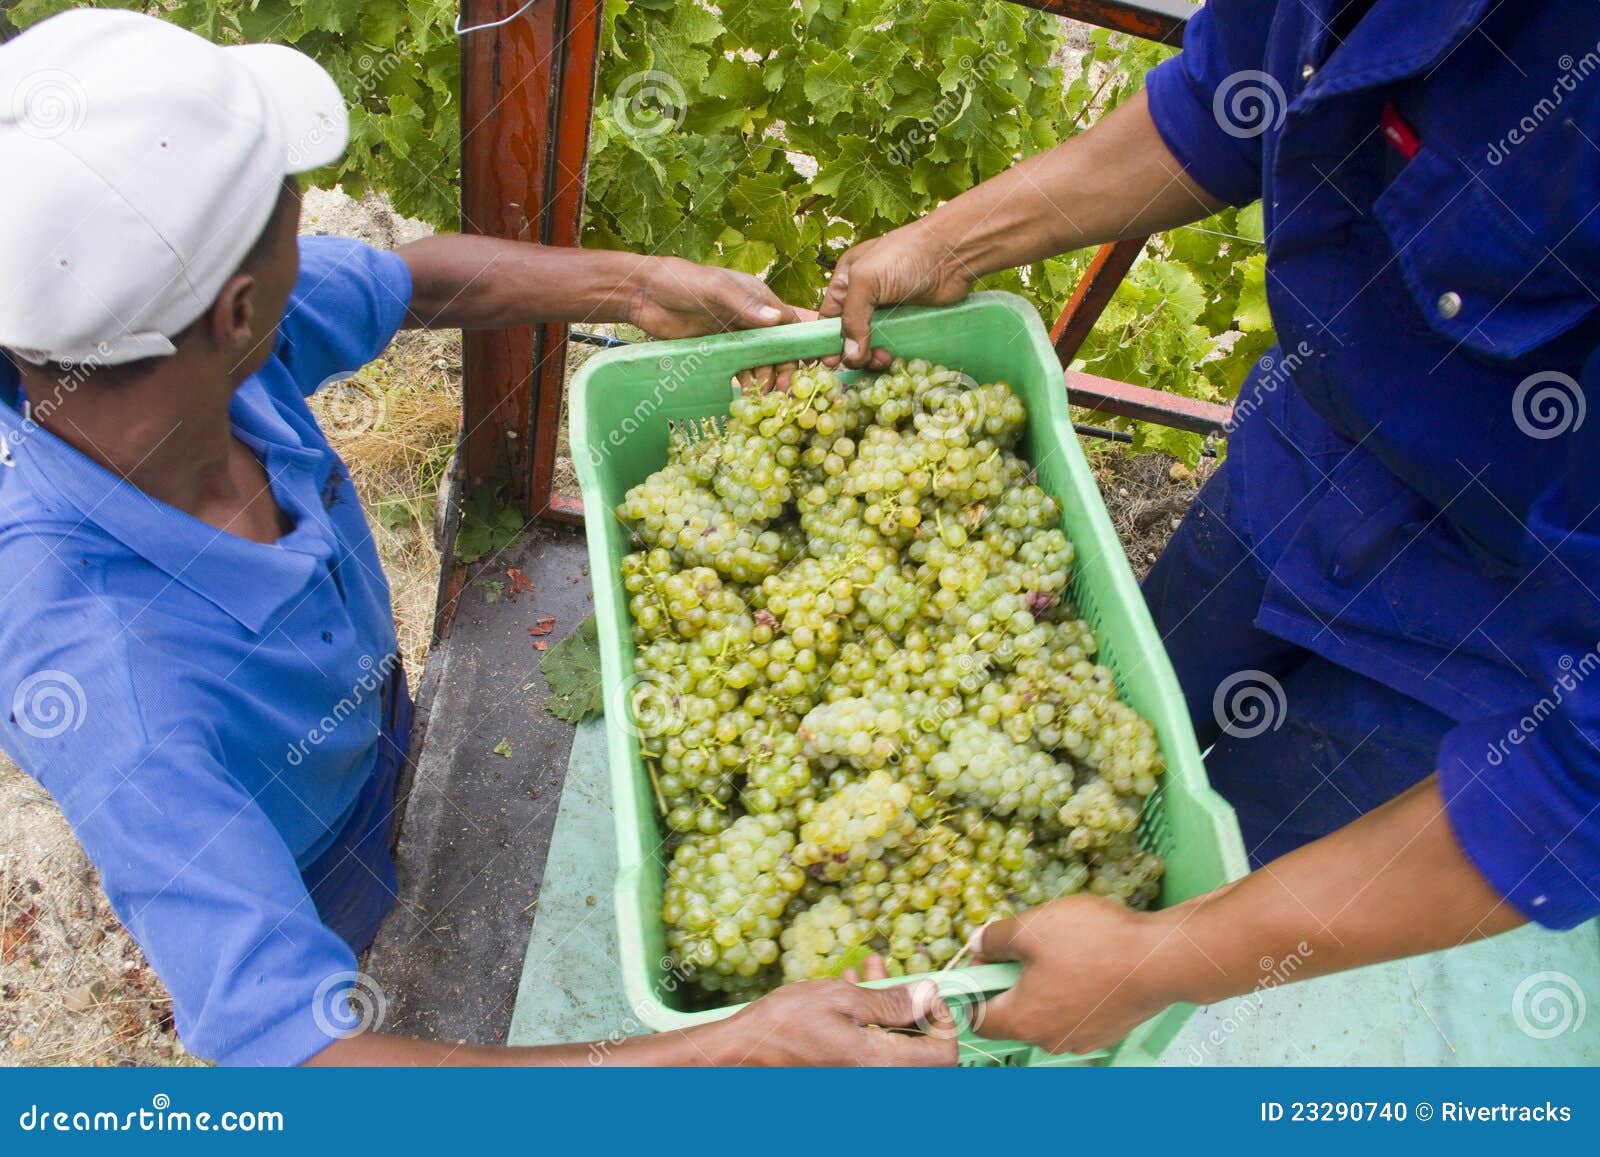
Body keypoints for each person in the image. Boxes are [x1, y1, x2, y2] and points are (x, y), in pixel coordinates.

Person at [0, 8, 955, 1067]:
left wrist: (633, 285)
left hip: (361, 726)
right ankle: (367, 912)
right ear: (235, 307)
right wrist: (728, 1050)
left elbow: (414, 283)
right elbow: (302, 1074)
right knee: (359, 932)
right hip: (303, 844)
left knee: (391, 797)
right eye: (293, 217)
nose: (316, 241)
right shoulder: (103, 672)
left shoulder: (176, 355)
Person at [823, 0, 1600, 1054]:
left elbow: (1568, 785)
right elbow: (1226, 101)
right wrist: (952, 242)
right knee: (1102, 734)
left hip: (1477, 629)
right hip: (1295, 471)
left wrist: (1161, 958)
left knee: (1223, 857)